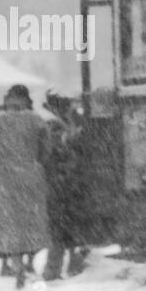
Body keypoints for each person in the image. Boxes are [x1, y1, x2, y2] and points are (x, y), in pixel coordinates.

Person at [0, 84, 50, 290]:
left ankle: (17, 265)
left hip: (6, 178)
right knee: (31, 221)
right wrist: (35, 164)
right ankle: (30, 261)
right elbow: (46, 151)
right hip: (31, 176)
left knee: (11, 225)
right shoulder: (37, 120)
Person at [39, 89, 87, 280]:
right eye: (69, 105)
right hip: (59, 182)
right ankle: (54, 269)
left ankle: (64, 265)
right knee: (60, 227)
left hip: (61, 181)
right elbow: (58, 153)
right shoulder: (53, 125)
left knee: (64, 225)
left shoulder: (56, 122)